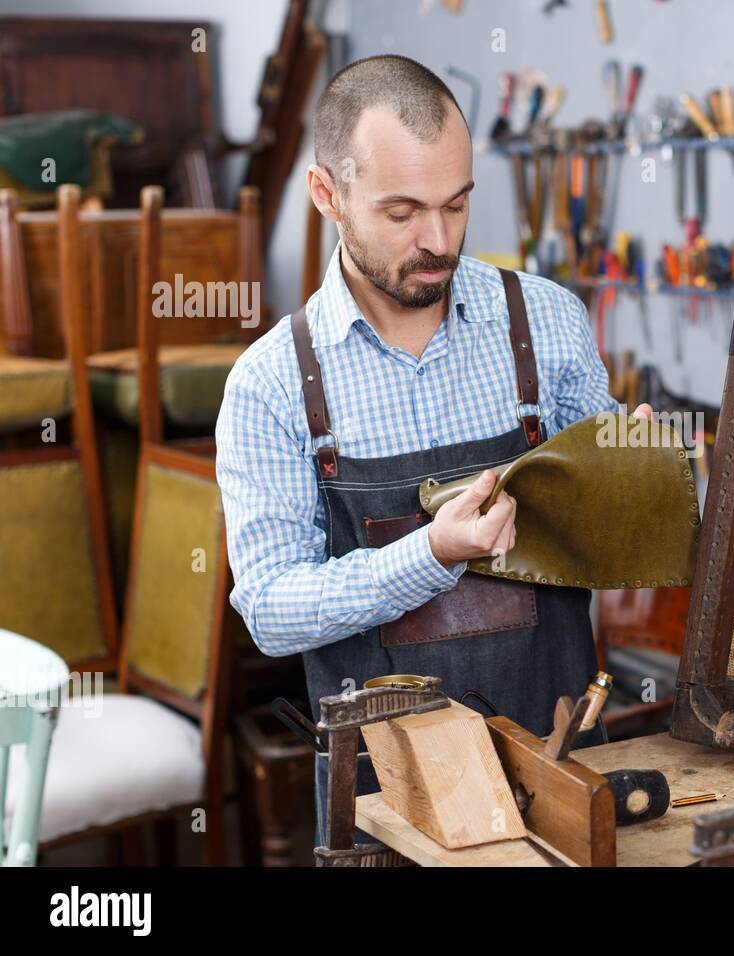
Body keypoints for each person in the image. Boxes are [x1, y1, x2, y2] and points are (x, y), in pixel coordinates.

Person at [214, 55, 651, 847]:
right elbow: (273, 613)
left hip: (556, 773)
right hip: (386, 800)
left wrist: (634, 474)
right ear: (327, 195)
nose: (437, 240)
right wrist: (432, 553)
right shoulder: (271, 384)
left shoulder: (546, 323)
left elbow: (613, 541)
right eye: (403, 211)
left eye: (456, 205)